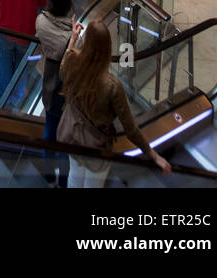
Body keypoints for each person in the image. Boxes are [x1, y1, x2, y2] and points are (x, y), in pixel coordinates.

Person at [58, 17, 171, 187]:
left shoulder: (73, 60)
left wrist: (73, 40)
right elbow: (130, 129)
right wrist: (153, 155)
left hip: (72, 136)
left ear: (86, 42)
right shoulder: (112, 86)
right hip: (96, 148)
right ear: (107, 48)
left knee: (74, 177)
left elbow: (62, 71)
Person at [36, 0, 74, 187]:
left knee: (49, 131)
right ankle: (63, 180)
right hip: (66, 90)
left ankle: (48, 173)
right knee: (64, 140)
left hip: (49, 84)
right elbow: (75, 58)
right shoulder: (71, 37)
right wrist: (76, 37)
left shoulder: (41, 21)